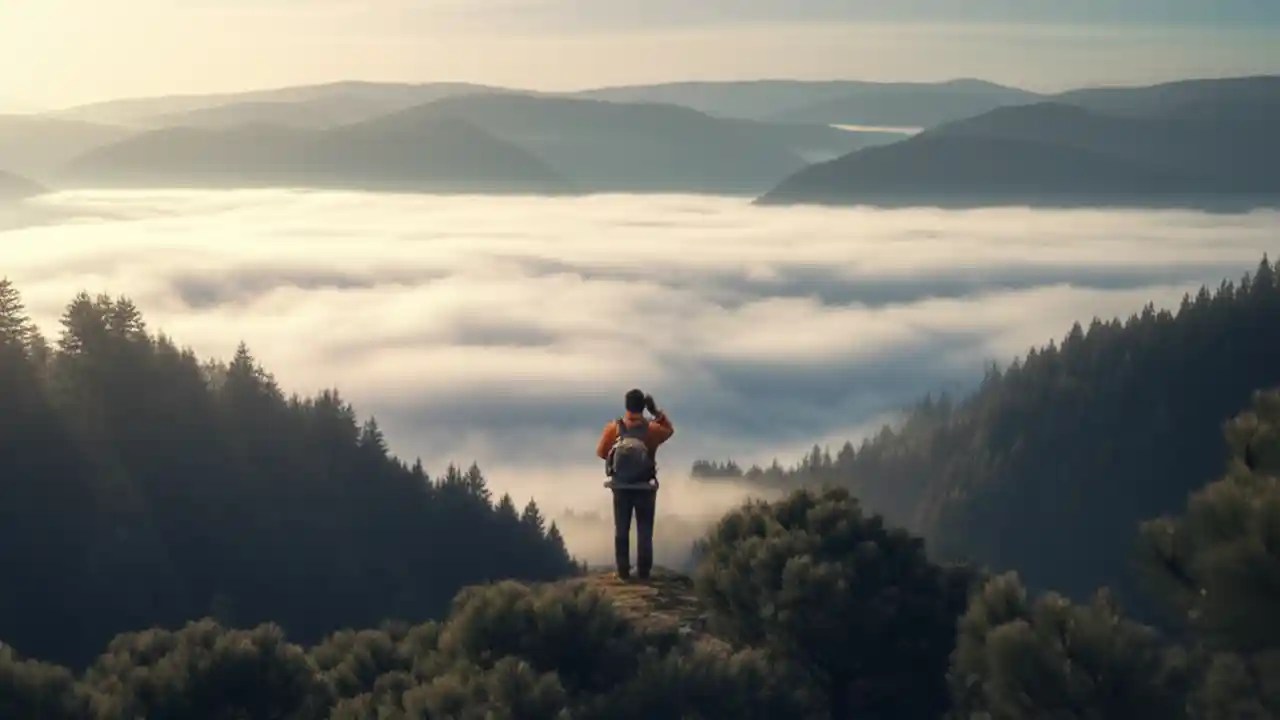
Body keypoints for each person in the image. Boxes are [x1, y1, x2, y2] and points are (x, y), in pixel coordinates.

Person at [596, 389, 674, 580]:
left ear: (626, 406)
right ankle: (644, 572)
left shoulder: (613, 428)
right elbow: (670, 430)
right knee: (645, 530)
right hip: (644, 486)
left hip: (620, 486)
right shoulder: (653, 430)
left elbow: (601, 452)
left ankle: (623, 571)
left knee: (621, 528)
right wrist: (656, 412)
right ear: (643, 407)